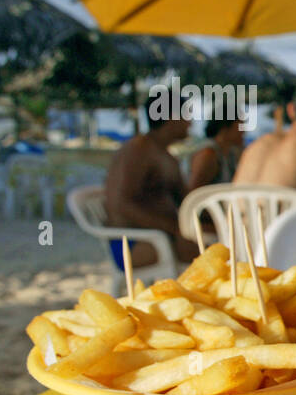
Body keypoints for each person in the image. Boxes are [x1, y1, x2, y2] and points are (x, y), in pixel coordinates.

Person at [104, 86, 201, 264]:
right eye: (187, 115)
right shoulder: (137, 151)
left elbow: (187, 201)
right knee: (202, 254)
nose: (191, 123)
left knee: (216, 245)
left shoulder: (167, 157)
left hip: (160, 236)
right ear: (170, 117)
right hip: (132, 242)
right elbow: (121, 204)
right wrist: (175, 230)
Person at [187, 116, 244, 192]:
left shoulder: (230, 152)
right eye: (240, 126)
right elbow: (192, 194)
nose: (244, 131)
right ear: (225, 127)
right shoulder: (208, 154)